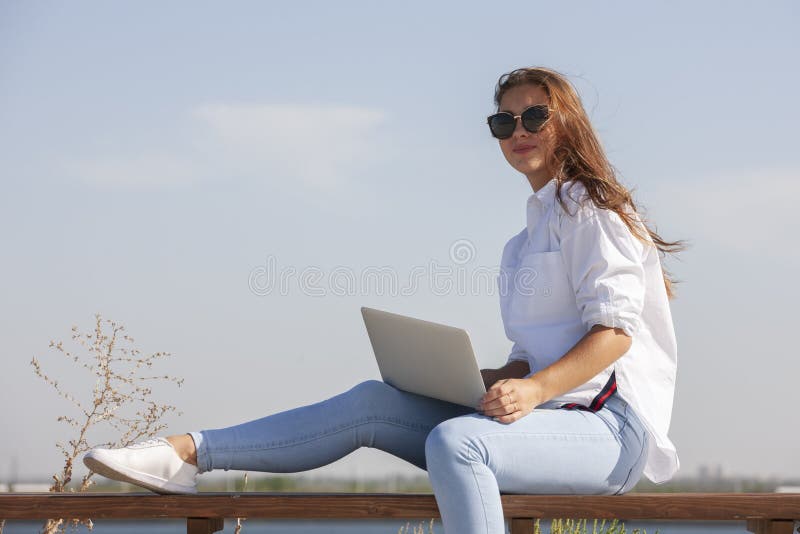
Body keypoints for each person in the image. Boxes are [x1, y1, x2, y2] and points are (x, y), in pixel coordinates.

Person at [83, 66, 685, 534]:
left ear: (567, 122)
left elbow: (614, 334)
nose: (519, 132)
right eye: (504, 123)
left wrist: (529, 391)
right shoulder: (521, 245)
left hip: (608, 430)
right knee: (375, 401)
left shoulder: (594, 211)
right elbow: (531, 360)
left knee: (458, 441)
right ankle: (185, 456)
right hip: (544, 419)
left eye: (534, 116)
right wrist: (478, 380)